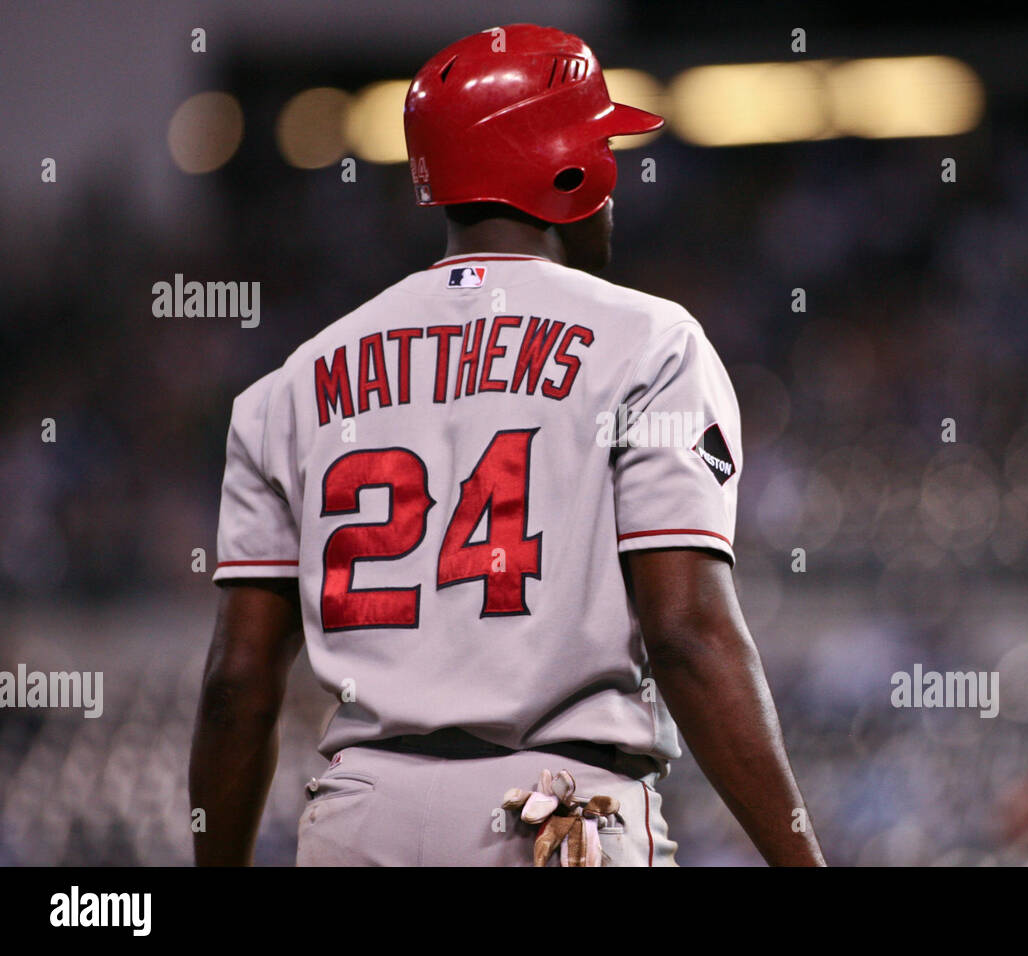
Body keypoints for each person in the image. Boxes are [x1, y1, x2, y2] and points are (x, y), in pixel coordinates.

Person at [189, 22, 825, 867]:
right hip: (553, 819)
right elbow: (686, 634)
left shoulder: (291, 383)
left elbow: (237, 685)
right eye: (605, 151)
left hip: (355, 823)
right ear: (570, 169)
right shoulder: (650, 341)